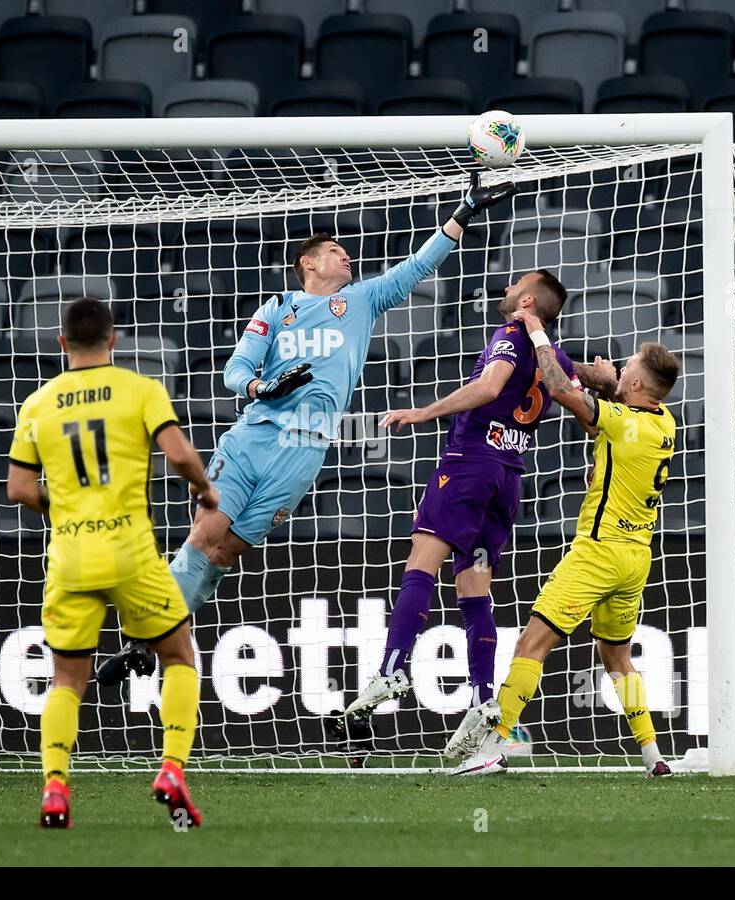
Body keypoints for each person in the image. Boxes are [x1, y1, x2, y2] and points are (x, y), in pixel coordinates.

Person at [99, 172, 516, 686]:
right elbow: (234, 371)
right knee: (205, 534)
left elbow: (417, 267)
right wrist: (261, 388)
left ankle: (152, 640)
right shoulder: (277, 308)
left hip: (305, 451)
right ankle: (144, 637)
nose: (347, 257)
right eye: (336, 251)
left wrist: (463, 213)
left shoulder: (361, 301)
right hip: (254, 437)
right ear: (309, 263)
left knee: (224, 552)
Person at [338, 269, 619, 761]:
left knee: (421, 561)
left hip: (468, 468)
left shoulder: (511, 333)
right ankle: (482, 697)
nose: (506, 288)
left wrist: (423, 413)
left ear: (526, 299)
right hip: (507, 481)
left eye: (515, 285)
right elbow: (581, 383)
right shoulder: (549, 353)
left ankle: (391, 667)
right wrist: (606, 376)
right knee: (475, 589)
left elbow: (490, 387)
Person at [6, 296, 218, 828]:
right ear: (113, 340)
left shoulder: (39, 403)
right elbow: (179, 455)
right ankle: (172, 769)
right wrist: (204, 490)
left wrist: (63, 507)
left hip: (71, 557)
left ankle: (55, 788)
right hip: (130, 553)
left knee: (66, 681)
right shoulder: (139, 390)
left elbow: (18, 488)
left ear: (61, 344)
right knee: (179, 656)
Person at [454, 317, 680, 778]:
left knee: (531, 643)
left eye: (625, 369)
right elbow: (597, 424)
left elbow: (558, 391)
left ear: (635, 382)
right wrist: (600, 385)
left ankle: (495, 748)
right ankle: (654, 756)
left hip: (598, 552)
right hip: (637, 558)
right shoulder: (664, 423)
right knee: (617, 656)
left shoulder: (620, 420)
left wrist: (538, 335)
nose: (618, 370)